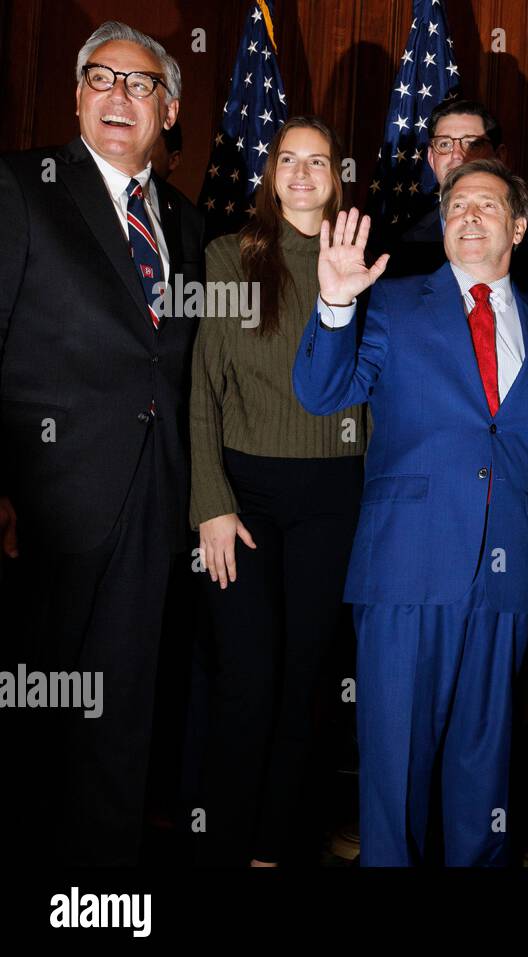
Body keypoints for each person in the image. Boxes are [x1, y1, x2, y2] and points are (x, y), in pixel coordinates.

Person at [293, 158, 528, 866]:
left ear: (517, 225)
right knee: (397, 766)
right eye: (456, 207)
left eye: (486, 205)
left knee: (486, 764)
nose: (468, 216)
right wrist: (333, 306)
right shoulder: (389, 302)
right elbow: (323, 393)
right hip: (405, 572)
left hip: (505, 578)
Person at [0, 20, 203, 865]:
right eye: (101, 78)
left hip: (156, 509)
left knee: (123, 717)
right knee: (31, 716)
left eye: (139, 83)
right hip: (41, 510)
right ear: (78, 94)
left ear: (170, 109)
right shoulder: (21, 188)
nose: (119, 95)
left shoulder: (193, 230)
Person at [189, 116, 367, 866]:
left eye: (316, 160)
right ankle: (226, 845)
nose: (300, 172)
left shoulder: (360, 260)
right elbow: (202, 386)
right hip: (244, 497)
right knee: (249, 678)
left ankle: (271, 850)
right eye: (287, 159)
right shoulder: (229, 257)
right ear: (270, 173)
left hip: (334, 493)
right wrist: (210, 504)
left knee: (305, 681)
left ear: (336, 175)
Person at [380, 98, 528, 315]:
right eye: (444, 144)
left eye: (472, 143)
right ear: (431, 159)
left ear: (500, 157)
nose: (458, 156)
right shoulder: (398, 246)